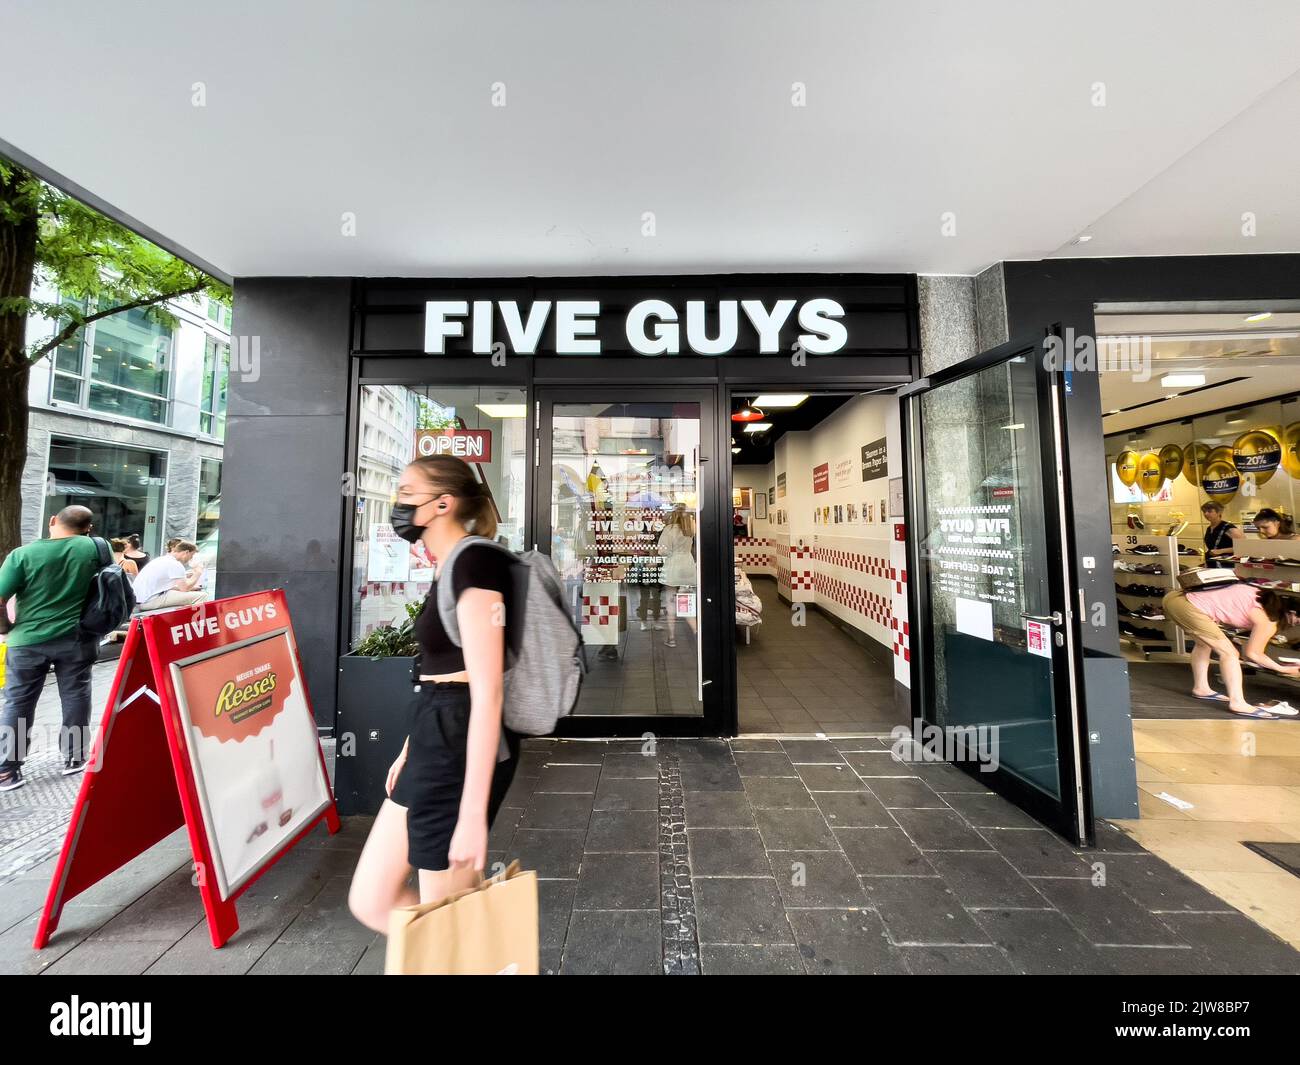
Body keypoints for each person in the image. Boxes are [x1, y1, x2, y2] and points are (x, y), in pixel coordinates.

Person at [348, 455, 521, 931]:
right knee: (373, 900)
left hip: (458, 741)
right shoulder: (451, 564)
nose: (397, 503)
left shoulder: (478, 562)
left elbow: (487, 692)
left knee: (446, 920)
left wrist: (471, 813)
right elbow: (439, 670)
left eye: (407, 494)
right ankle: (483, 954)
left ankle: (477, 956)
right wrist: (411, 747)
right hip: (435, 731)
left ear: (442, 504)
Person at [0, 505, 103, 788]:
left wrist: (5, 627)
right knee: (76, 696)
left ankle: (8, 769)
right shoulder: (94, 549)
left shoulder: (22, 555)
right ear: (88, 528)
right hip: (77, 639)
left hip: (27, 641)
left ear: (53, 520)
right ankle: (74, 758)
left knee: (18, 701)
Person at [1161, 582, 1299, 718]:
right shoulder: (1269, 621)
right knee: (1230, 653)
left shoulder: (1262, 597)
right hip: (1188, 605)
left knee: (1204, 643)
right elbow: (1253, 654)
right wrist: (1283, 669)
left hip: (1174, 597)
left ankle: (1201, 688)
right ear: (1292, 614)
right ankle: (1238, 703)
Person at [658, 505, 697, 649]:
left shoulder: (669, 529)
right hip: (687, 566)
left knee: (670, 602)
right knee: (686, 602)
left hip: (673, 567)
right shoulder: (690, 529)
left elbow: (662, 551)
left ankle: (672, 638)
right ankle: (696, 631)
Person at [131, 540, 205, 612]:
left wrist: (192, 588)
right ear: (186, 552)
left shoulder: (161, 560)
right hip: (149, 601)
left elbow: (163, 585)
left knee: (191, 594)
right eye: (191, 555)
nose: (190, 559)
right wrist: (198, 572)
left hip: (139, 600)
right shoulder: (175, 564)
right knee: (201, 596)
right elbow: (185, 588)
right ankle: (197, 623)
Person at [1201, 502, 1242, 568]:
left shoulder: (1228, 528)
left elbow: (1243, 547)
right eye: (1204, 511)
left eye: (1209, 511)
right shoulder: (1209, 528)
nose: (1206, 514)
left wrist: (1221, 551)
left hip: (1227, 566)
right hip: (1212, 564)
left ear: (1219, 512)